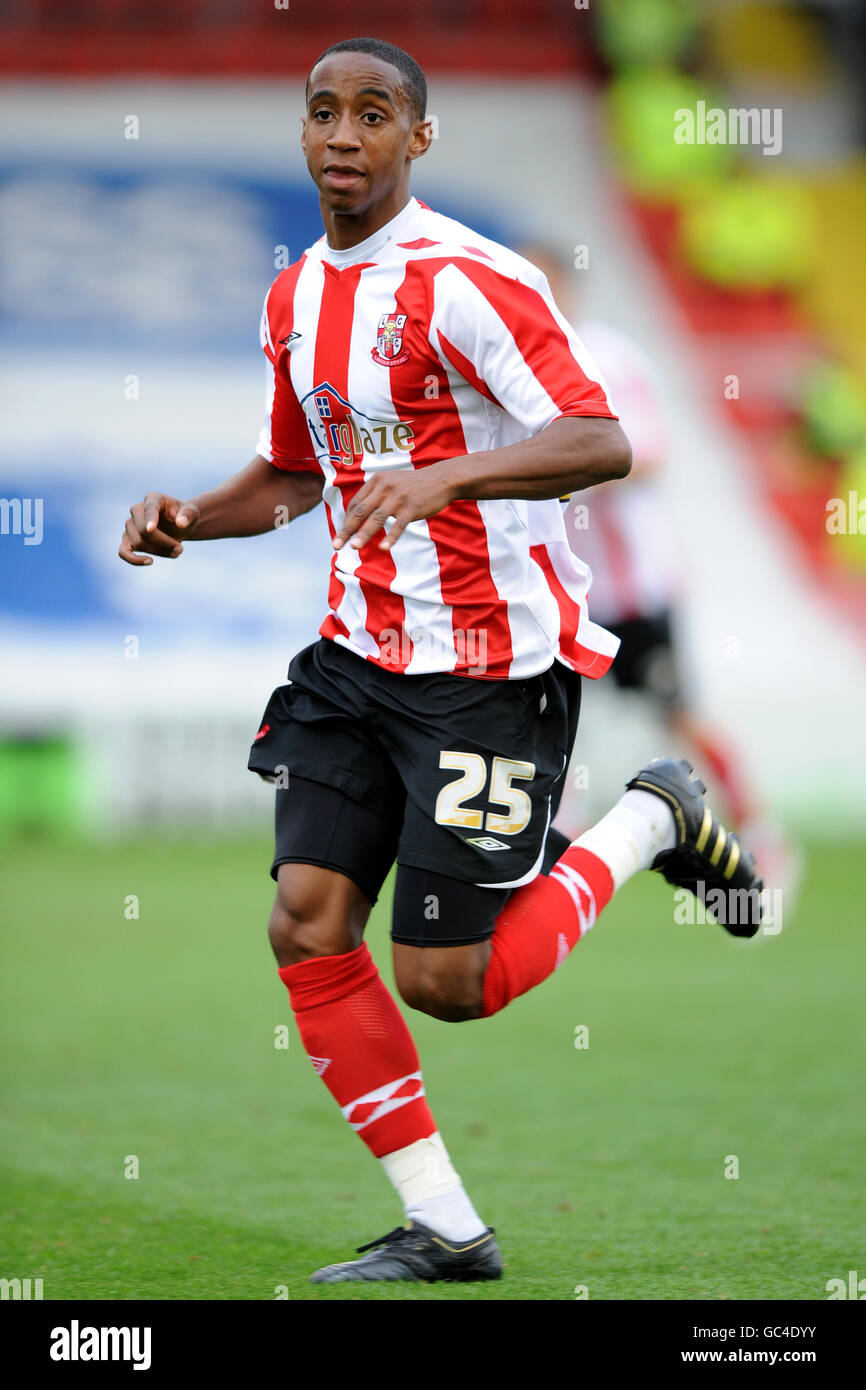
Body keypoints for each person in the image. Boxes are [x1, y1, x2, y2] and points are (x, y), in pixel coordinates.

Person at [118, 37, 763, 1286]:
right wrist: (191, 516)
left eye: (374, 114)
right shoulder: (295, 296)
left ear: (418, 139)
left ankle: (650, 818)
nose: (343, 135)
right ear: (302, 134)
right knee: (306, 923)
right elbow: (299, 474)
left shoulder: (472, 277)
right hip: (356, 658)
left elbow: (599, 437)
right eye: (322, 113)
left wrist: (449, 474)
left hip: (488, 667)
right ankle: (448, 1230)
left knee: (449, 982)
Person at [517, 245, 798, 890]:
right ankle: (558, 853)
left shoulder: (607, 356)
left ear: (566, 282)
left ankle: (761, 835)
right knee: (550, 714)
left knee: (678, 711)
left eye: (541, 277)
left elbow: (648, 451)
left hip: (630, 586)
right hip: (563, 588)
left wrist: (569, 471)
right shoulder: (516, 363)